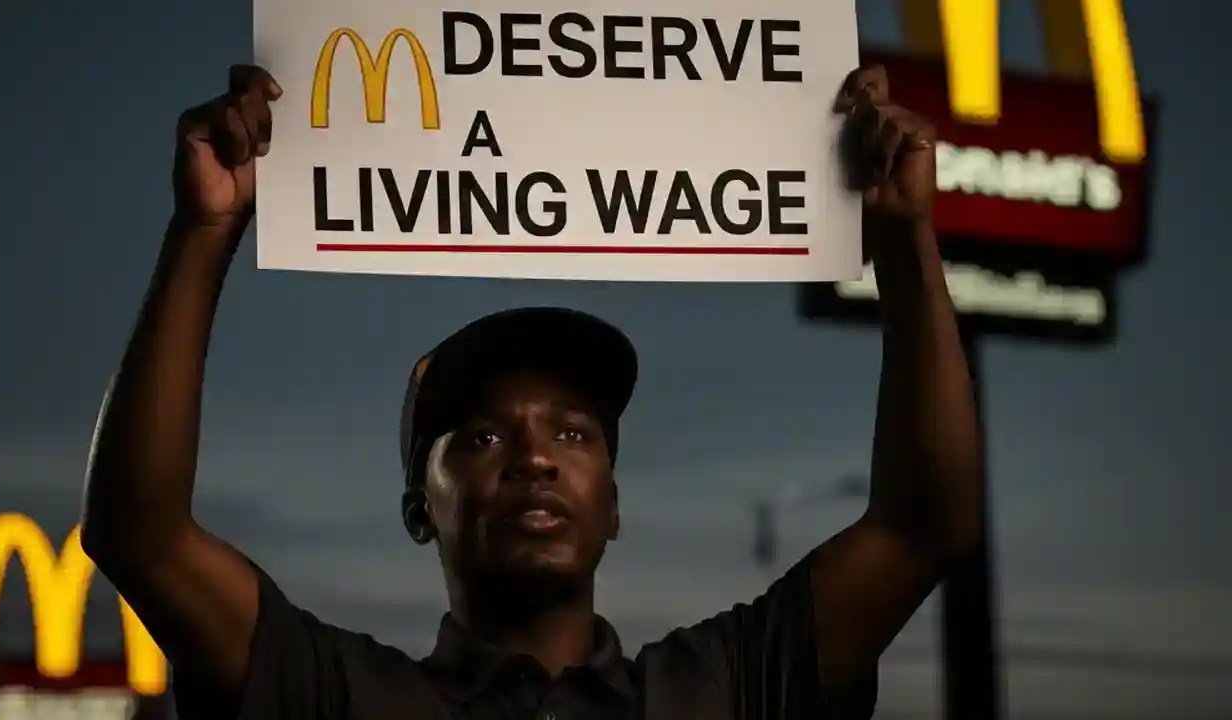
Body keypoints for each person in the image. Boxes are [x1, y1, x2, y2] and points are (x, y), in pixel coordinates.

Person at [81, 62, 981, 720]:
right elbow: (141, 537)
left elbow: (921, 527)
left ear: (615, 505)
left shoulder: (725, 688)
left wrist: (904, 243)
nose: (537, 459)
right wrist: (203, 228)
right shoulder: (336, 696)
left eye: (577, 434)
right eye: (480, 439)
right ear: (417, 508)